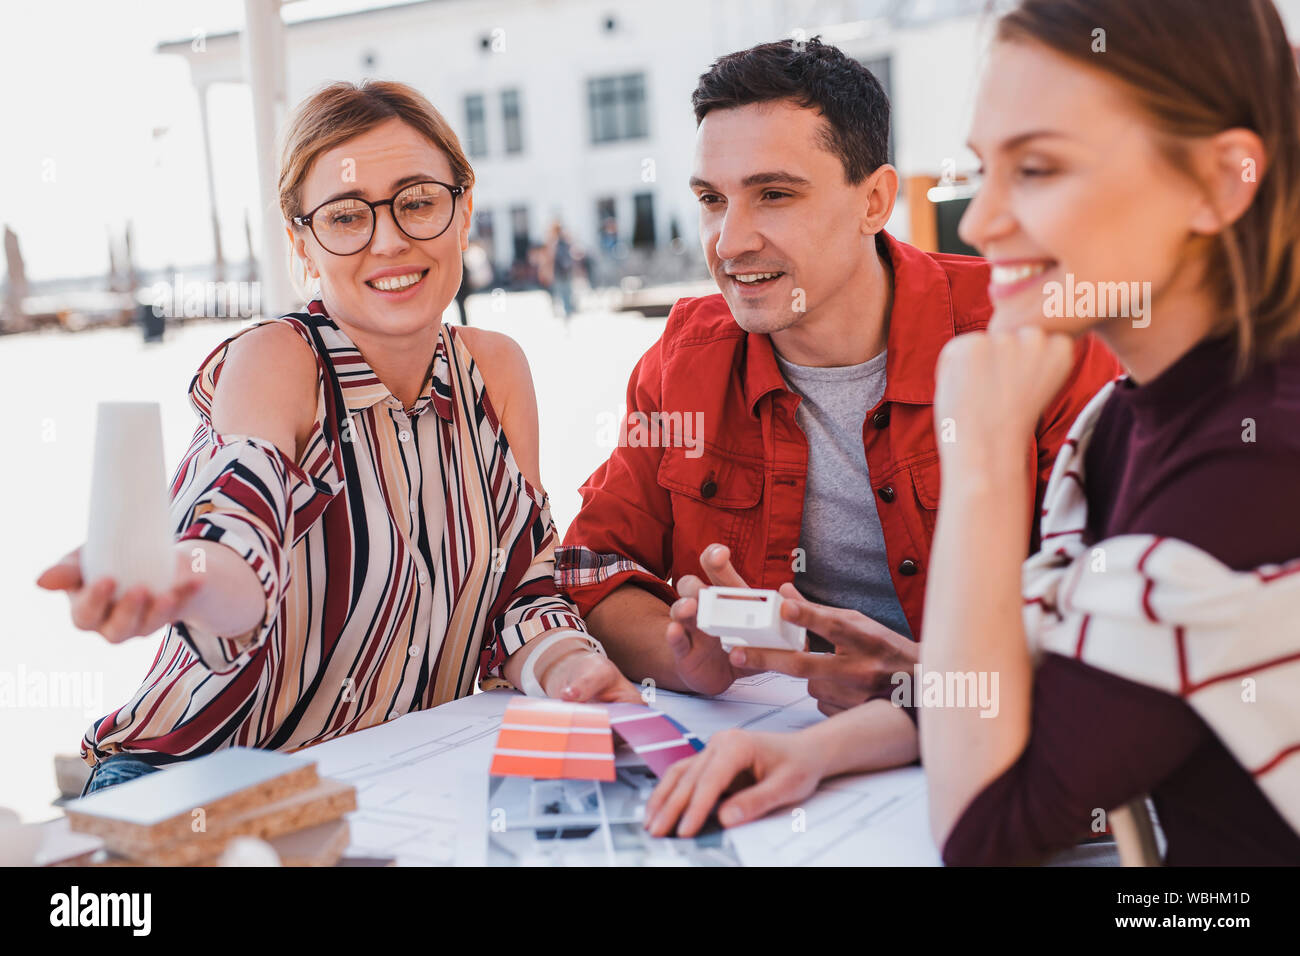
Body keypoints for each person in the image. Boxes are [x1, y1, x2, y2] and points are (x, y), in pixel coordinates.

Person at [646, 0, 1300, 865]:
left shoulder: (1256, 459)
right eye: (983, 168)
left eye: (1039, 168)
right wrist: (811, 751)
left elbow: (986, 830)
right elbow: (1029, 692)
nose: (983, 220)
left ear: (1221, 182)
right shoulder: (1132, 418)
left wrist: (985, 452)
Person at [37, 80, 638, 794]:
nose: (389, 240)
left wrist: (570, 669)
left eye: (417, 202)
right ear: (303, 243)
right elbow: (237, 550)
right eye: (347, 216)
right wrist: (182, 576)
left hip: (391, 783)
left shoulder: (496, 369)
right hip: (199, 791)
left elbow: (518, 594)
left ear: (463, 211)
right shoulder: (277, 359)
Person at [556, 39, 1118, 725]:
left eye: (774, 195)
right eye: (712, 199)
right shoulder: (684, 359)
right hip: (779, 749)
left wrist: (923, 686)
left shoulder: (1032, 337)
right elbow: (592, 567)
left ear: (875, 200)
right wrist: (686, 660)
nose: (730, 242)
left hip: (1002, 743)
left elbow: (1121, 607)